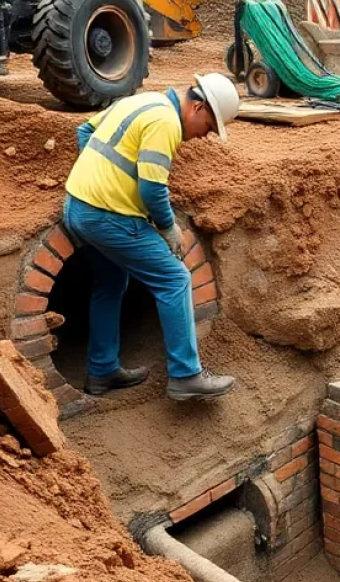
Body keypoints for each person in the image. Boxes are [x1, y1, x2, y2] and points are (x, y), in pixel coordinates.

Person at [62, 73, 240, 402]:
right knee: (174, 279)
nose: (205, 137)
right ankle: (186, 375)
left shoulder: (142, 101)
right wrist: (168, 226)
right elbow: (152, 188)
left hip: (77, 208)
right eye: (210, 127)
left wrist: (98, 179)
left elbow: (85, 130)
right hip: (107, 217)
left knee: (111, 283)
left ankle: (102, 371)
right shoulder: (165, 123)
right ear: (198, 107)